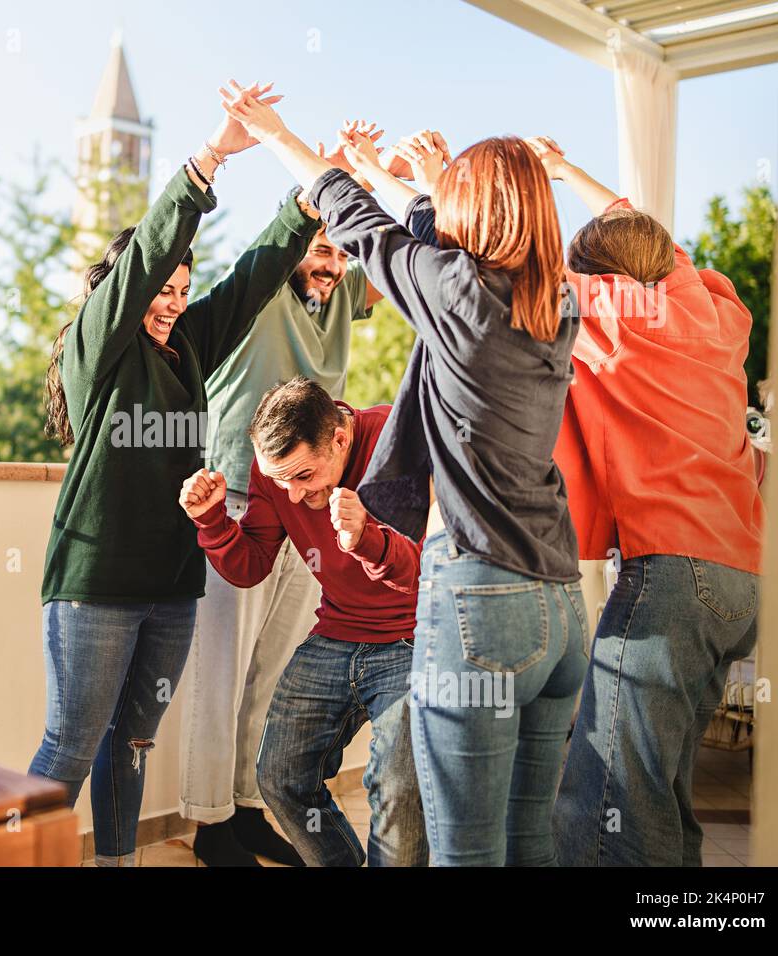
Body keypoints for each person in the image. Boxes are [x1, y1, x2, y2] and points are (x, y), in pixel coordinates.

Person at [221, 89, 588, 866]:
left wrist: (278, 133)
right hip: (560, 604)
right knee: (530, 842)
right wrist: (413, 184)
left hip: (484, 598)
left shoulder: (457, 292)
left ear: (471, 218)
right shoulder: (555, 303)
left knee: (462, 846)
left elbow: (352, 215)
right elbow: (429, 241)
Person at [30, 83, 324, 867]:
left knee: (130, 743)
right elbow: (151, 254)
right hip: (95, 582)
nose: (172, 300)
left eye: (183, 290)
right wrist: (212, 159)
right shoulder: (102, 349)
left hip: (172, 584)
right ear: (125, 292)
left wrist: (309, 197)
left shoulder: (189, 347)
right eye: (161, 288)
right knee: (69, 743)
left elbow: (256, 277)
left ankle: (115, 863)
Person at [528, 137, 765, 866]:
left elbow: (512, 269)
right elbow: (657, 244)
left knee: (603, 800)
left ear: (598, 272)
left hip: (673, 579)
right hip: (740, 582)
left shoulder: (607, 307)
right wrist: (570, 174)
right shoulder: (714, 312)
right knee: (659, 795)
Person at [178, 129, 404, 867]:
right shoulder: (264, 289)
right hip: (241, 494)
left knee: (270, 676)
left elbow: (390, 255)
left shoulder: (339, 298)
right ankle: (209, 821)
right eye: (320, 247)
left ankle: (246, 805)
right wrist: (319, 173)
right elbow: (291, 225)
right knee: (221, 675)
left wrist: (380, 175)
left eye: (340, 252)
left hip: (311, 508)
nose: (330, 263)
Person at [180, 377, 427, 867]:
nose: (293, 496)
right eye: (280, 481)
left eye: (303, 476)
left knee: (397, 790)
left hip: (412, 638)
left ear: (339, 438)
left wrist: (369, 540)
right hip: (336, 633)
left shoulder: (398, 441)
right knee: (278, 776)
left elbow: (430, 572)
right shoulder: (275, 473)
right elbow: (251, 565)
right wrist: (212, 522)